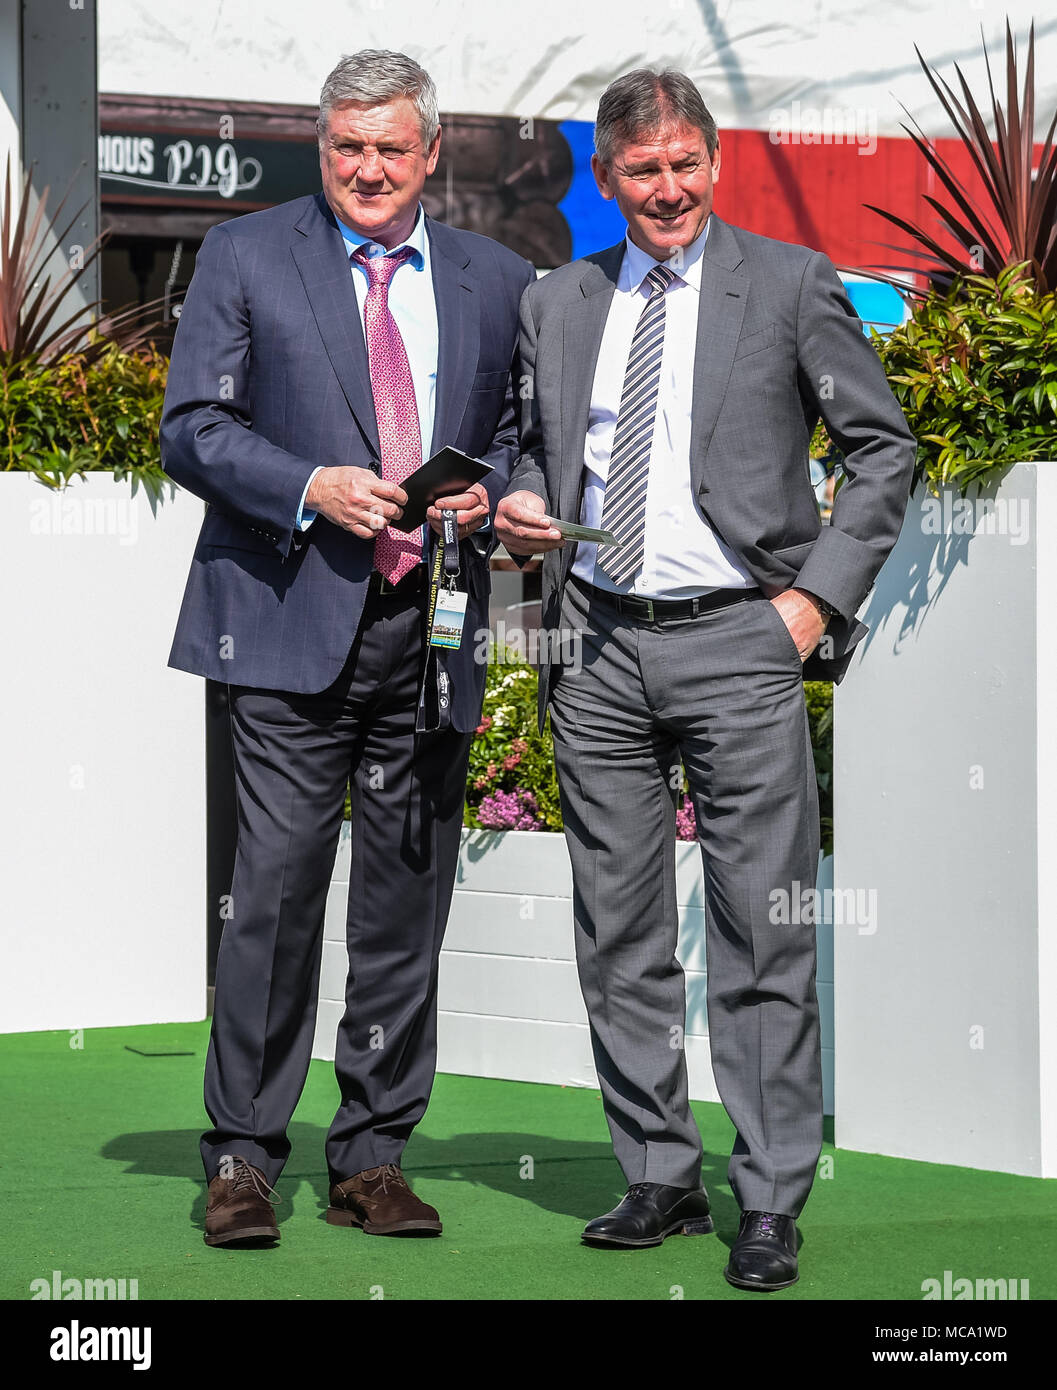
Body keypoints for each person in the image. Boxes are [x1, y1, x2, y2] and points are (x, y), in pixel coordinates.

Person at [495, 67, 914, 1291]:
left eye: (684, 163)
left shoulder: (786, 283)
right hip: (596, 645)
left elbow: (879, 450)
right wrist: (524, 501)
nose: (666, 188)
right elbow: (535, 443)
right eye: (641, 169)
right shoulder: (559, 300)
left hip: (742, 638)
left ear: (711, 162)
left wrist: (811, 604)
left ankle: (771, 1195)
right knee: (617, 933)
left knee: (759, 931)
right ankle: (658, 1178)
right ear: (606, 178)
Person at [161, 49, 534, 1247]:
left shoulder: (496, 275)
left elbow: (519, 436)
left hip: (430, 632)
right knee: (269, 898)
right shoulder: (246, 254)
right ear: (320, 150)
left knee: (402, 907)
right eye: (344, 147)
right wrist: (308, 482)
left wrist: (499, 495)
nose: (367, 168)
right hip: (282, 625)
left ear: (430, 154)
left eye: (389, 147)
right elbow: (192, 428)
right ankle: (243, 1157)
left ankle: (374, 1154)